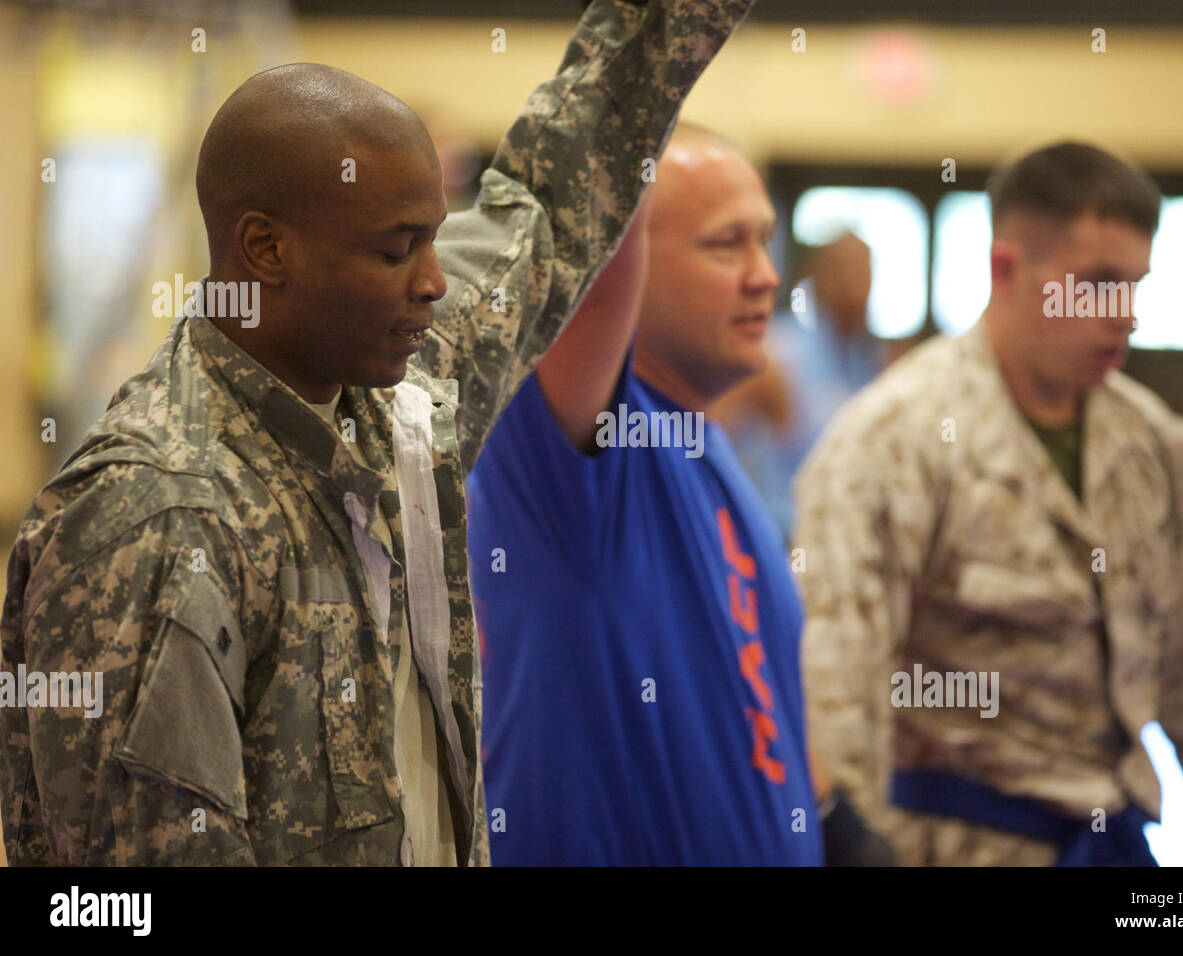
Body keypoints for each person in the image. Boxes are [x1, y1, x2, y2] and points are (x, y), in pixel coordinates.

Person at [0, 0, 755, 866]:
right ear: (265, 250)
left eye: (434, 239)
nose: (435, 283)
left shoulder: (400, 404)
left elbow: (547, 203)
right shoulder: (159, 512)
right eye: (398, 251)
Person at [795, 141, 1183, 866]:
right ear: (1006, 268)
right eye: (1097, 284)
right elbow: (834, 700)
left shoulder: (1155, 447)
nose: (1124, 314)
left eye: (1135, 285)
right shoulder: (894, 441)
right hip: (944, 847)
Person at [466, 125, 823, 865]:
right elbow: (589, 231)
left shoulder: (707, 447)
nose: (764, 275)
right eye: (726, 243)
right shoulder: (579, 452)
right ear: (619, 269)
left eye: (766, 241)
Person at [715, 232, 884, 541]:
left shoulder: (871, 361)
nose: (855, 285)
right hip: (781, 538)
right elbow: (710, 437)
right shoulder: (776, 352)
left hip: (846, 536)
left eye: (864, 271)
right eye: (842, 270)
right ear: (817, 277)